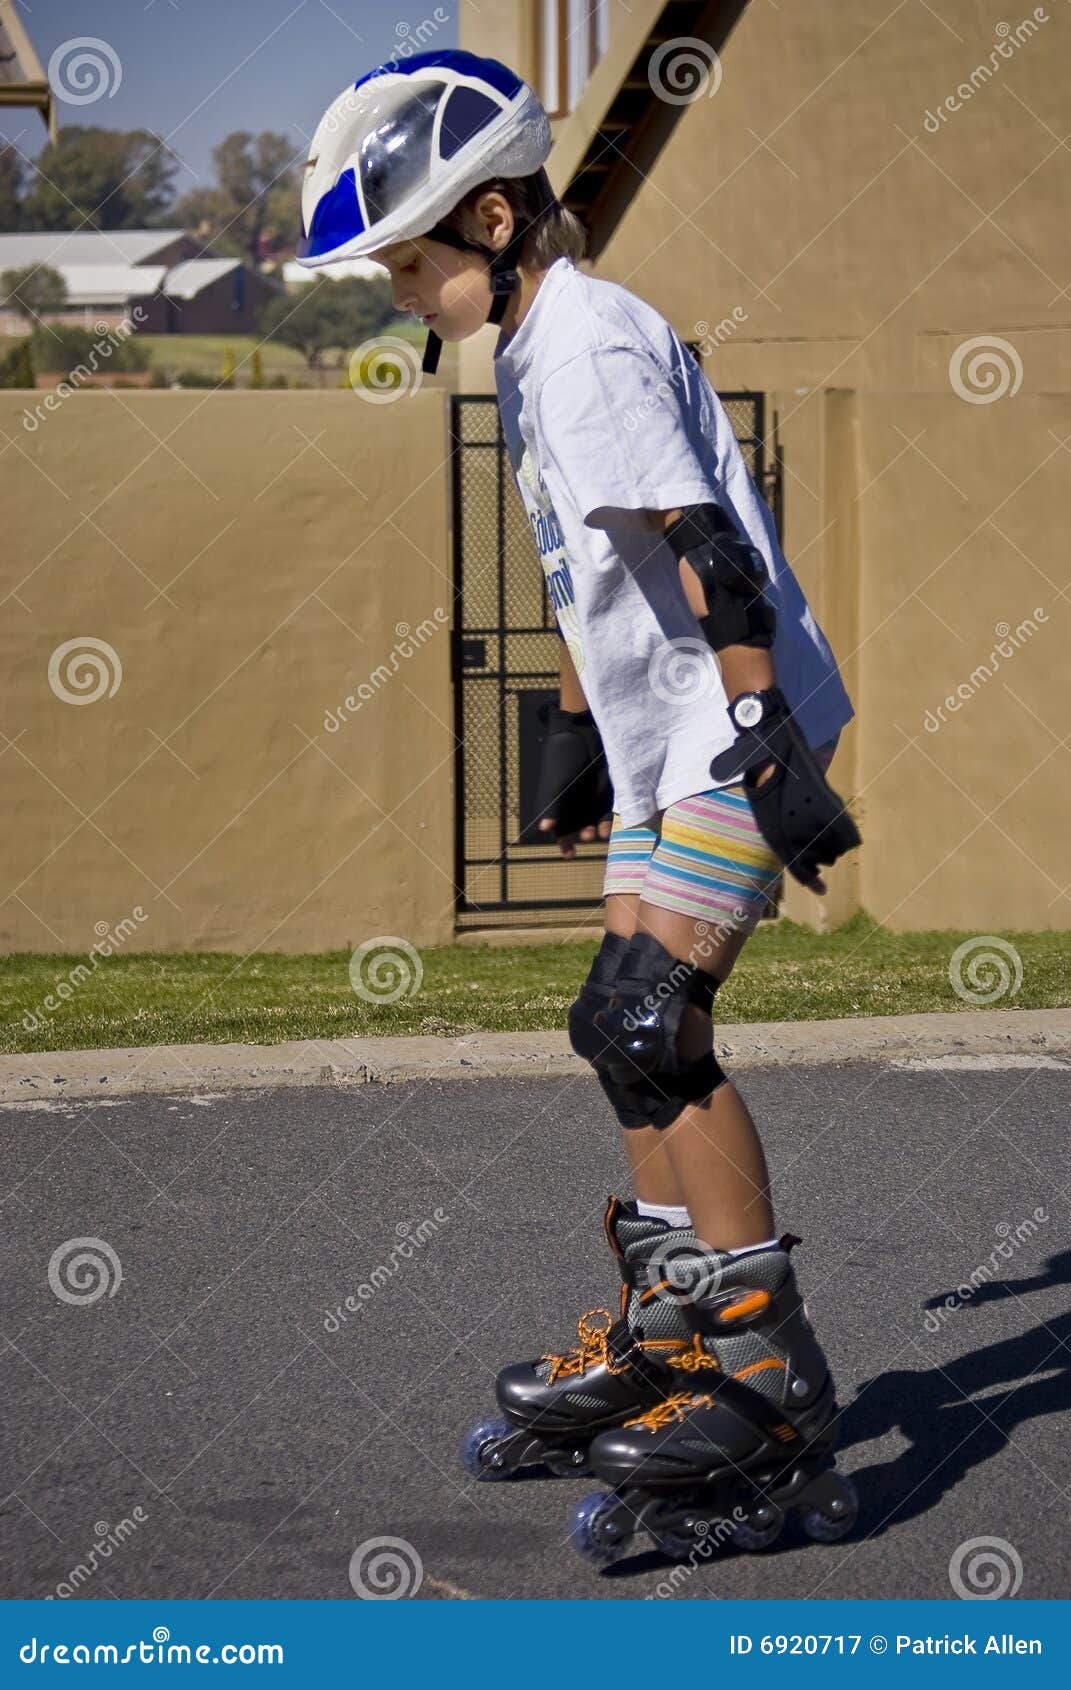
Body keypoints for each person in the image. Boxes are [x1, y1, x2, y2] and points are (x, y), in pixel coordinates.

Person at [298, 49, 861, 1559]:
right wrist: (574, 731)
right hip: (662, 735)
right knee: (613, 1037)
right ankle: (682, 1333)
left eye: (407, 263)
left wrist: (762, 736)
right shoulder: (532, 346)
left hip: (725, 731)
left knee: (651, 1028)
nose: (397, 294)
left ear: (489, 219)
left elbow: (705, 550)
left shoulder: (589, 344)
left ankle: (777, 1400)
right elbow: (588, 567)